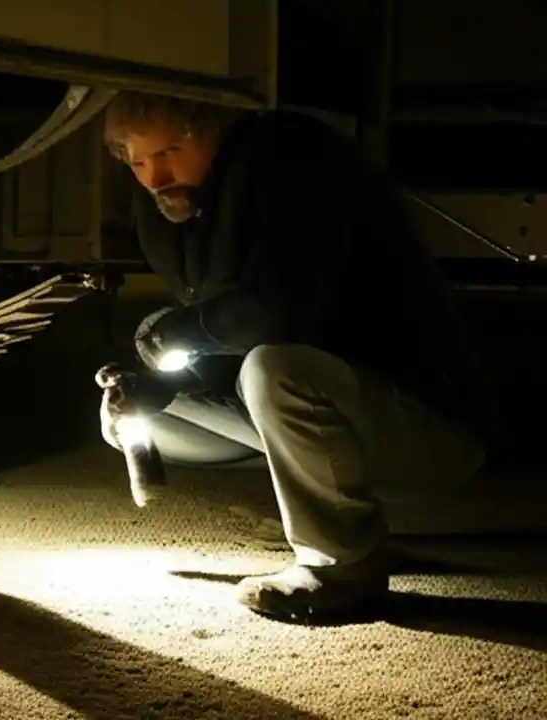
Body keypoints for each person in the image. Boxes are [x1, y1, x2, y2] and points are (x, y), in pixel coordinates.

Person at [99, 90, 499, 620]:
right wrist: (157, 381)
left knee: (273, 369)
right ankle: (322, 499)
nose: (153, 177)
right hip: (327, 412)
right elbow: (222, 334)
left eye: (168, 152)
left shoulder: (294, 162)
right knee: (133, 407)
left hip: (424, 429)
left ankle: (341, 566)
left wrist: (187, 332)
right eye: (138, 161)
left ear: (215, 125)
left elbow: (278, 308)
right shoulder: (181, 210)